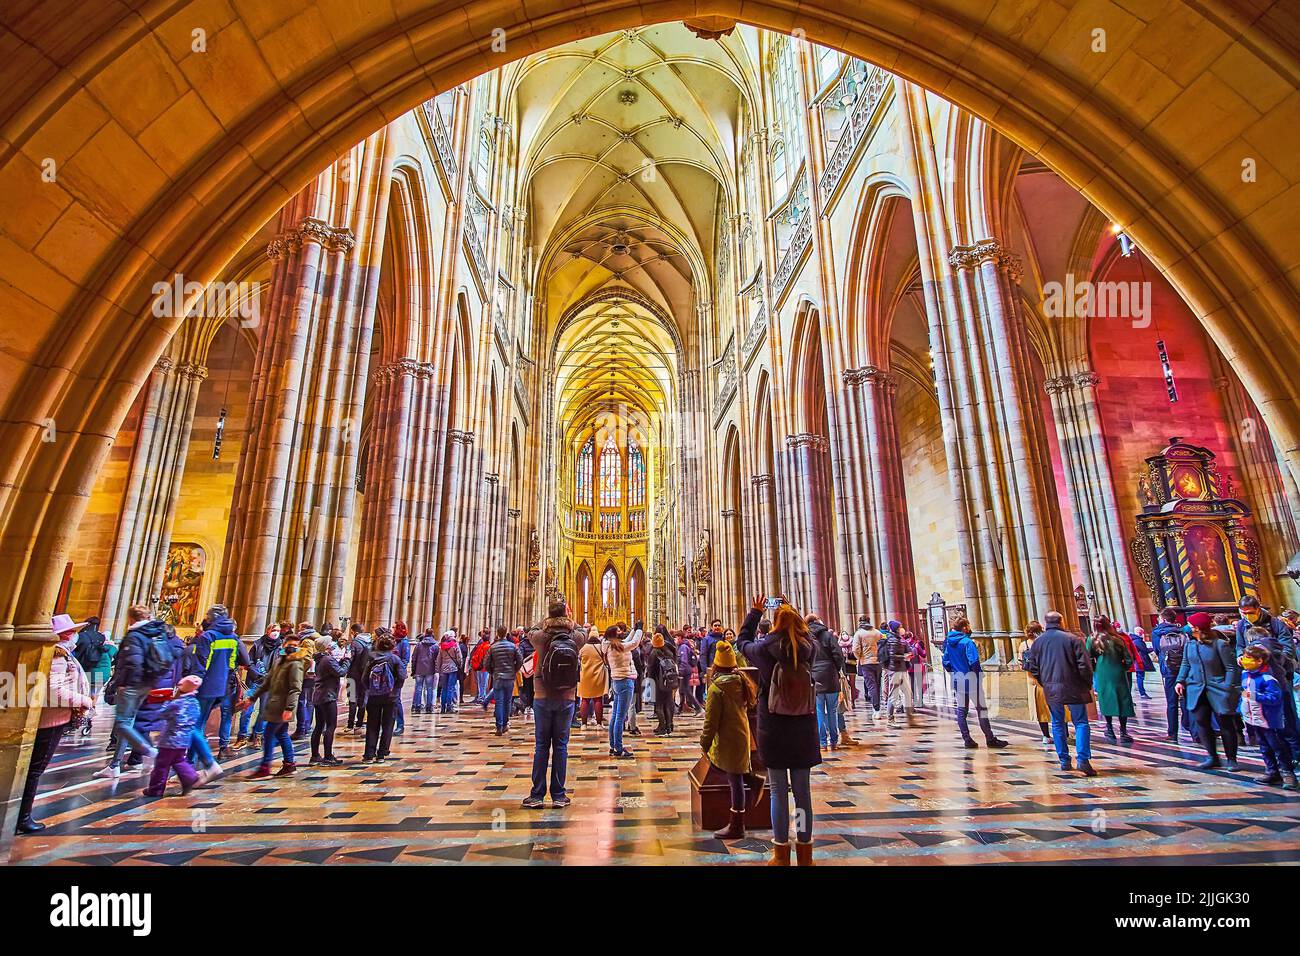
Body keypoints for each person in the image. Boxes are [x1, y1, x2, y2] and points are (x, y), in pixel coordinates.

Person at [737, 595, 821, 866]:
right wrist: (789, 608)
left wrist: (754, 612)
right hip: (804, 728)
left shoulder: (766, 650)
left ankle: (781, 851)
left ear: (774, 623)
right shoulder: (810, 648)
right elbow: (809, 633)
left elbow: (743, 642)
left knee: (777, 792)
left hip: (774, 727)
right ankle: (805, 851)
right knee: (802, 793)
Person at [16, 615, 95, 833]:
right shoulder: (57, 656)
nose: (73, 635)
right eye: (70, 632)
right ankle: (21, 817)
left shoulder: (59, 653)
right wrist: (84, 701)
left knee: (33, 768)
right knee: (35, 768)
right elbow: (53, 691)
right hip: (51, 717)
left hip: (51, 715)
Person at [523, 597, 582, 809]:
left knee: (541, 746)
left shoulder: (540, 636)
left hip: (542, 697)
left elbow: (530, 630)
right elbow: (583, 631)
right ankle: (558, 795)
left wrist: (546, 620)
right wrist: (569, 621)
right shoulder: (575, 637)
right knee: (561, 746)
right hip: (567, 698)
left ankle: (537, 795)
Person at [1023, 611, 1097, 776]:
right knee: (1081, 723)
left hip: (1051, 689)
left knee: (1057, 723)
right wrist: (1086, 684)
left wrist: (1045, 682)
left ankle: (1064, 760)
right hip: (1075, 687)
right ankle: (1083, 760)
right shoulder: (1073, 639)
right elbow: (1085, 666)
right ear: (1061, 621)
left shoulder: (1038, 642)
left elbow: (1033, 667)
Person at [93, 604, 163, 779]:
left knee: (123, 723)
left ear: (131, 618)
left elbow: (133, 661)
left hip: (132, 684)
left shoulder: (135, 635)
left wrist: (124, 683)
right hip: (147, 683)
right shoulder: (154, 633)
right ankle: (115, 764)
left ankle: (146, 749)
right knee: (127, 724)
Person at [700, 640, 758, 840]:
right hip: (742, 735)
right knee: (735, 774)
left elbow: (711, 721)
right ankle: (752, 779)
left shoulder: (717, 688)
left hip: (726, 739)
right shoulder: (742, 681)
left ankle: (737, 825)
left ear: (716, 665)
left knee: (734, 780)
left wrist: (704, 743)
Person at [241, 627, 310, 778]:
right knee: (282, 734)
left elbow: (295, 688)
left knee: (269, 734)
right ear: (284, 645)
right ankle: (289, 765)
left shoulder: (296, 663)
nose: (291, 647)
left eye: (295, 645)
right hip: (274, 703)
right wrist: (252, 697)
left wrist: (289, 708)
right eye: (289, 644)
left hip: (283, 706)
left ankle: (265, 768)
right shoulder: (280, 661)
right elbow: (267, 682)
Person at [1177, 611, 1242, 771]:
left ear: (1198, 628)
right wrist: (1180, 681)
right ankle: (1212, 756)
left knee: (1225, 723)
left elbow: (1231, 667)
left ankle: (1231, 759)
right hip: (1196, 687)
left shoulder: (1219, 644)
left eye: (1191, 625)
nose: (1189, 628)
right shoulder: (1190, 645)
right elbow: (1185, 664)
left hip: (1218, 688)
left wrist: (1227, 687)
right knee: (1201, 721)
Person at [1234, 596, 1299, 753]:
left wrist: (1272, 662)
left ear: (1258, 609)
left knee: (1286, 715)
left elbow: (1288, 649)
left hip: (1279, 676)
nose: (1247, 616)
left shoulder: (1276, 623)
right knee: (1264, 720)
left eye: (1250, 612)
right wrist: (1240, 656)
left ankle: (1296, 753)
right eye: (1243, 613)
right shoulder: (1242, 625)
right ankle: (1278, 759)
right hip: (1255, 676)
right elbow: (1240, 646)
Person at [190, 604, 248, 763]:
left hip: (205, 685)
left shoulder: (208, 636)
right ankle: (196, 763)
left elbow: (202, 663)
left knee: (195, 725)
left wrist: (194, 684)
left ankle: (200, 763)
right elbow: (232, 663)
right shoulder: (232, 637)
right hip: (222, 686)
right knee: (201, 723)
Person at [941, 617, 1009, 749]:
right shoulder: (967, 642)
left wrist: (954, 671)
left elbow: (946, 662)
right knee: (981, 710)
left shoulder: (948, 643)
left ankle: (967, 740)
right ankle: (990, 739)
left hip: (958, 679)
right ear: (965, 627)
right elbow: (974, 661)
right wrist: (977, 675)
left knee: (961, 711)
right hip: (971, 679)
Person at [1239, 639, 1297, 789]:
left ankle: (1287, 773)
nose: (1245, 660)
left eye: (1249, 658)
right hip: (1254, 718)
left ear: (1260, 661)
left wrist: (1254, 696)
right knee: (1264, 746)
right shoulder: (1246, 674)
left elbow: (1274, 698)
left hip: (1269, 719)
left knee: (1278, 746)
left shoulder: (1268, 679)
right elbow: (1244, 695)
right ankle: (1271, 771)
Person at [144, 674, 203, 797]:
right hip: (184, 740)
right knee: (178, 760)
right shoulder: (195, 703)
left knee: (161, 764)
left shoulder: (176, 703)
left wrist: (167, 700)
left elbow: (162, 713)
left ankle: (155, 790)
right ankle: (190, 778)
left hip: (170, 740)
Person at [1088, 617, 1135, 743]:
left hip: (1102, 673)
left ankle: (1109, 728)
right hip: (1118, 671)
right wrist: (1123, 667)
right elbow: (1129, 659)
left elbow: (1088, 657)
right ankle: (1123, 732)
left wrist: (1095, 669)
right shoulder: (1118, 639)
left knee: (1106, 699)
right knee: (1122, 699)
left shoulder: (1092, 639)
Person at [362, 630, 407, 762]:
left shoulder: (371, 657)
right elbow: (402, 676)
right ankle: (381, 754)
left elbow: (364, 678)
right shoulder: (394, 659)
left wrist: (370, 689)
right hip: (390, 697)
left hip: (374, 696)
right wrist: (395, 690)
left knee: (372, 724)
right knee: (388, 724)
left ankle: (369, 754)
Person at [236, 624, 282, 748]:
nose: (276, 632)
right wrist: (257, 674)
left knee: (264, 711)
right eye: (273, 630)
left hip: (270, 683)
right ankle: (242, 737)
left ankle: (258, 736)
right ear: (268, 631)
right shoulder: (257, 644)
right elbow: (248, 662)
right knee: (247, 710)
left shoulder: (281, 646)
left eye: (278, 630)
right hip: (255, 681)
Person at [603, 620, 643, 757]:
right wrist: (639, 630)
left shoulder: (610, 645)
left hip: (617, 681)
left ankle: (613, 746)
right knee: (620, 717)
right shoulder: (618, 647)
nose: (622, 632)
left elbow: (627, 640)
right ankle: (618, 749)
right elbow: (634, 643)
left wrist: (634, 629)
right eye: (619, 631)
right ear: (614, 635)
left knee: (615, 715)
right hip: (625, 681)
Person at [1152, 607, 1192, 742]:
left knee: (1171, 702)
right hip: (1184, 669)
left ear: (1163, 619)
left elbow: (1157, 651)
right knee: (1186, 699)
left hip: (1168, 670)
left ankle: (1172, 733)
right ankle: (1191, 728)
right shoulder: (1182, 631)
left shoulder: (1157, 632)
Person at [808, 614, 844, 750]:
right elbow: (838, 655)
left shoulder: (806, 637)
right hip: (830, 675)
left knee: (819, 711)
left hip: (815, 676)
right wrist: (835, 668)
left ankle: (822, 742)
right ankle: (834, 741)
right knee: (832, 710)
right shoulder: (829, 636)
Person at [311, 636, 347, 765]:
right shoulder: (327, 659)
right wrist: (347, 661)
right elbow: (341, 672)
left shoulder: (320, 659)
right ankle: (328, 756)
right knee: (331, 726)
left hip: (319, 695)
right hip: (328, 696)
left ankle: (315, 755)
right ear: (326, 646)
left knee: (319, 726)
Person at [486, 627, 524, 734]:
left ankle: (498, 726)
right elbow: (520, 660)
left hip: (497, 677)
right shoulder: (513, 646)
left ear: (498, 634)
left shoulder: (493, 647)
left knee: (499, 702)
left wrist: (493, 673)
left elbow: (486, 663)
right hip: (509, 677)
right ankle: (505, 724)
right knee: (507, 702)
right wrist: (514, 670)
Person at [1019, 622, 1052, 742]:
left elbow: (1021, 664)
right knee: (1058, 706)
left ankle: (1046, 736)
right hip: (1049, 678)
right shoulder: (1045, 643)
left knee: (1040, 709)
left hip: (1033, 680)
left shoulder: (1024, 645)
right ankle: (1062, 733)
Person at [878, 620, 914, 725]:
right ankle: (890, 718)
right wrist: (904, 656)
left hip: (902, 668)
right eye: (900, 626)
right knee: (894, 694)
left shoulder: (899, 639)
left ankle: (909, 717)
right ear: (896, 628)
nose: (901, 628)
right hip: (895, 670)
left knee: (907, 693)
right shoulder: (892, 639)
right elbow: (892, 656)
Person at [647, 628, 679, 735]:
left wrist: (649, 684)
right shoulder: (668, 651)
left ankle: (662, 726)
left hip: (658, 682)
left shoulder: (654, 653)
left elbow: (650, 670)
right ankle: (669, 725)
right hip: (669, 681)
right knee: (668, 703)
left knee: (659, 706)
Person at [577, 628, 609, 727]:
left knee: (585, 700)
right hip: (598, 675)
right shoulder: (601, 647)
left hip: (585, 676)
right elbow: (606, 660)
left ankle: (583, 724)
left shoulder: (583, 647)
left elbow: (578, 659)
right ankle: (599, 724)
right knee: (598, 699)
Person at [851, 617, 883, 715]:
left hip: (866, 663)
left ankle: (876, 709)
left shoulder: (859, 633)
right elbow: (883, 646)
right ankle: (877, 707)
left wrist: (860, 657)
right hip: (878, 662)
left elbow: (855, 649)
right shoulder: (878, 632)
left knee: (871, 686)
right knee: (877, 685)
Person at [344, 622, 372, 732]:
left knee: (352, 699)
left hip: (353, 675)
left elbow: (350, 658)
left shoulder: (355, 643)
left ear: (355, 632)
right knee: (362, 699)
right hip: (365, 675)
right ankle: (359, 723)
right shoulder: (370, 641)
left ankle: (350, 724)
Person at [72, 615, 108, 688]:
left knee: (81, 691)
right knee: (93, 694)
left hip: (82, 668)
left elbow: (72, 649)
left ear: (87, 624)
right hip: (99, 671)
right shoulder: (102, 637)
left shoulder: (82, 635)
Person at [411, 627, 438, 714]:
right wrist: (436, 669)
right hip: (430, 670)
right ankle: (429, 707)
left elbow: (414, 658)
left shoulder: (419, 645)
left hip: (419, 669)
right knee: (429, 688)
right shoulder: (435, 645)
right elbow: (437, 659)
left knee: (418, 688)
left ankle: (417, 706)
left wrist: (413, 669)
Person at [436, 630, 463, 714]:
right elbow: (459, 657)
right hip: (453, 669)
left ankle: (443, 707)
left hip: (444, 669)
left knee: (444, 688)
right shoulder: (455, 645)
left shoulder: (442, 646)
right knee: (450, 688)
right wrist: (460, 665)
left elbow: (439, 659)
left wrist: (439, 669)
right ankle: (449, 707)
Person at [678, 632, 701, 715]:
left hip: (685, 671)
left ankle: (699, 708)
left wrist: (680, 671)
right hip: (686, 670)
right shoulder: (682, 646)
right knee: (682, 690)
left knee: (687, 690)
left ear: (680, 637)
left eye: (677, 638)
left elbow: (684, 661)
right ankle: (681, 708)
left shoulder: (683, 647)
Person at [1130, 627, 1154, 699]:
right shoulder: (1138, 641)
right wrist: (1153, 648)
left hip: (1137, 662)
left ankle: (1142, 693)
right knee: (1140, 677)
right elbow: (1145, 650)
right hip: (1140, 662)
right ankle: (1142, 693)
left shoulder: (1134, 640)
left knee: (1139, 677)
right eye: (1142, 633)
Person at [470, 629, 492, 704]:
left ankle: (481, 697)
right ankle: (482, 697)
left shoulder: (480, 646)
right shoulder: (488, 646)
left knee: (480, 683)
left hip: (479, 667)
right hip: (485, 668)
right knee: (484, 683)